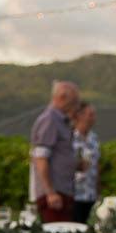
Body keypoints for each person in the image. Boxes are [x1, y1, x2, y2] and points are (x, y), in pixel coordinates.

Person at [29, 80, 79, 222]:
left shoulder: (62, 121)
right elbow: (40, 158)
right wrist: (50, 192)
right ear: (62, 98)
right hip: (54, 195)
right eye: (75, 101)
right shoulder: (50, 120)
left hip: (63, 191)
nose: (76, 106)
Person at [70, 102, 100, 223]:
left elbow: (97, 165)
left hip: (90, 195)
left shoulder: (94, 138)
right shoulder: (69, 137)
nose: (94, 118)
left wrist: (98, 192)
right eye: (91, 114)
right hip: (74, 195)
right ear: (80, 116)